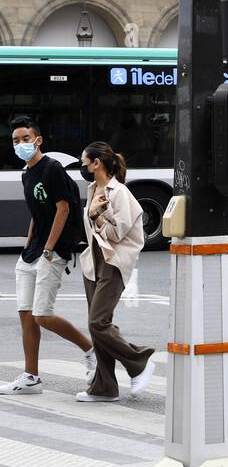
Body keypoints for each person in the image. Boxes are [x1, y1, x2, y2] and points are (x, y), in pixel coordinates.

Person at [0, 115, 95, 396]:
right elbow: (36, 213)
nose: (20, 144)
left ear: (38, 140)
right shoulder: (26, 172)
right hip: (31, 253)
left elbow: (63, 209)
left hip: (52, 252)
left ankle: (91, 351)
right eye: (15, 140)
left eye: (25, 139)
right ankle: (31, 377)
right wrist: (29, 247)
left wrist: (48, 250)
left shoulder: (51, 168)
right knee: (26, 316)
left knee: (42, 315)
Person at [77, 141, 154, 403]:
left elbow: (116, 234)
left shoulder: (119, 193)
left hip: (113, 261)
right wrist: (93, 214)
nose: (83, 167)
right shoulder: (93, 188)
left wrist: (97, 215)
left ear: (96, 163)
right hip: (93, 261)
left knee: (97, 322)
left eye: (84, 162)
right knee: (99, 327)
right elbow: (91, 230)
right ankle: (104, 388)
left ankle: (139, 361)